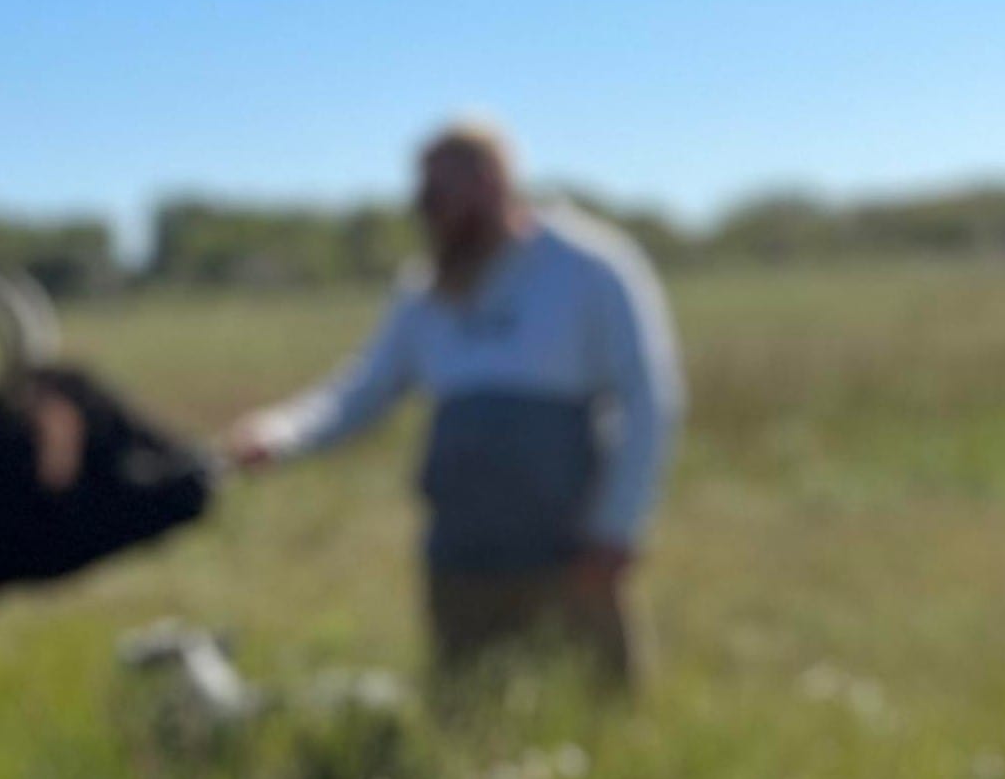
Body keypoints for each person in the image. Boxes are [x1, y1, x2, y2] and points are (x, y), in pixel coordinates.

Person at [225, 120, 683, 693]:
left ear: (493, 183)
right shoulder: (426, 294)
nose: (430, 212)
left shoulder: (588, 267)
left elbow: (647, 397)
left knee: (591, 708)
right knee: (467, 710)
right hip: (462, 557)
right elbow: (363, 390)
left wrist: (615, 527)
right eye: (423, 197)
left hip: (570, 556)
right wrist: (282, 432)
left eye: (441, 195)